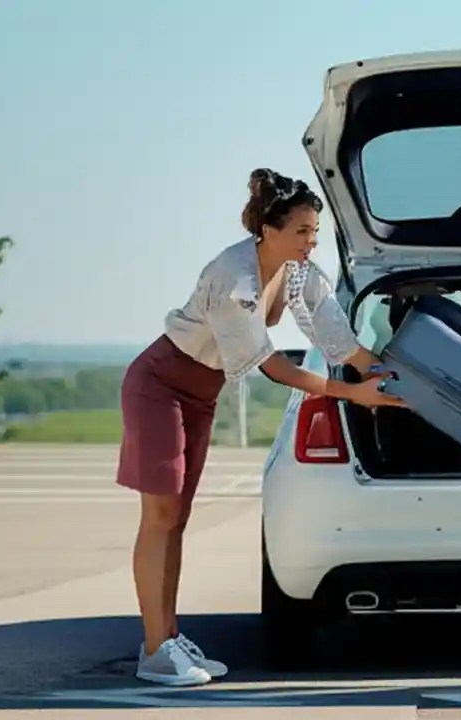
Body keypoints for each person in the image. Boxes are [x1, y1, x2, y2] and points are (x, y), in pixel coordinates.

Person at [115, 168, 404, 687]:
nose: (311, 242)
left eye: (315, 231)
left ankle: (168, 639)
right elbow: (273, 366)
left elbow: (330, 325)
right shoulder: (237, 277)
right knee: (159, 514)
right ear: (268, 230)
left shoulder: (294, 270)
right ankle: (156, 649)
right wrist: (352, 392)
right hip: (158, 386)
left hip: (200, 395)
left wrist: (376, 368)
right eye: (301, 231)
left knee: (176, 517)